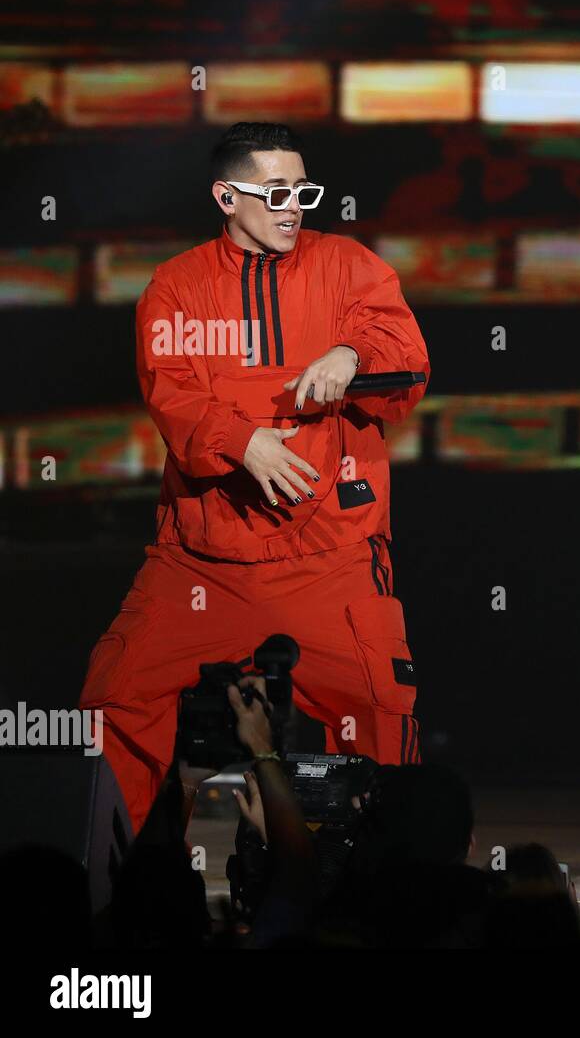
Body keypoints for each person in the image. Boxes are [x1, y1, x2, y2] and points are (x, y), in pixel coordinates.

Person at [78, 122, 430, 833]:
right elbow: (170, 392)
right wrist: (244, 442)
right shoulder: (177, 286)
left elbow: (407, 355)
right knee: (113, 702)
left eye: (302, 190)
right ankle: (117, 884)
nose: (292, 205)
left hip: (331, 560)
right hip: (203, 563)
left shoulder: (348, 266)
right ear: (225, 196)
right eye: (274, 192)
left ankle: (391, 890)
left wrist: (349, 353)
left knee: (379, 718)